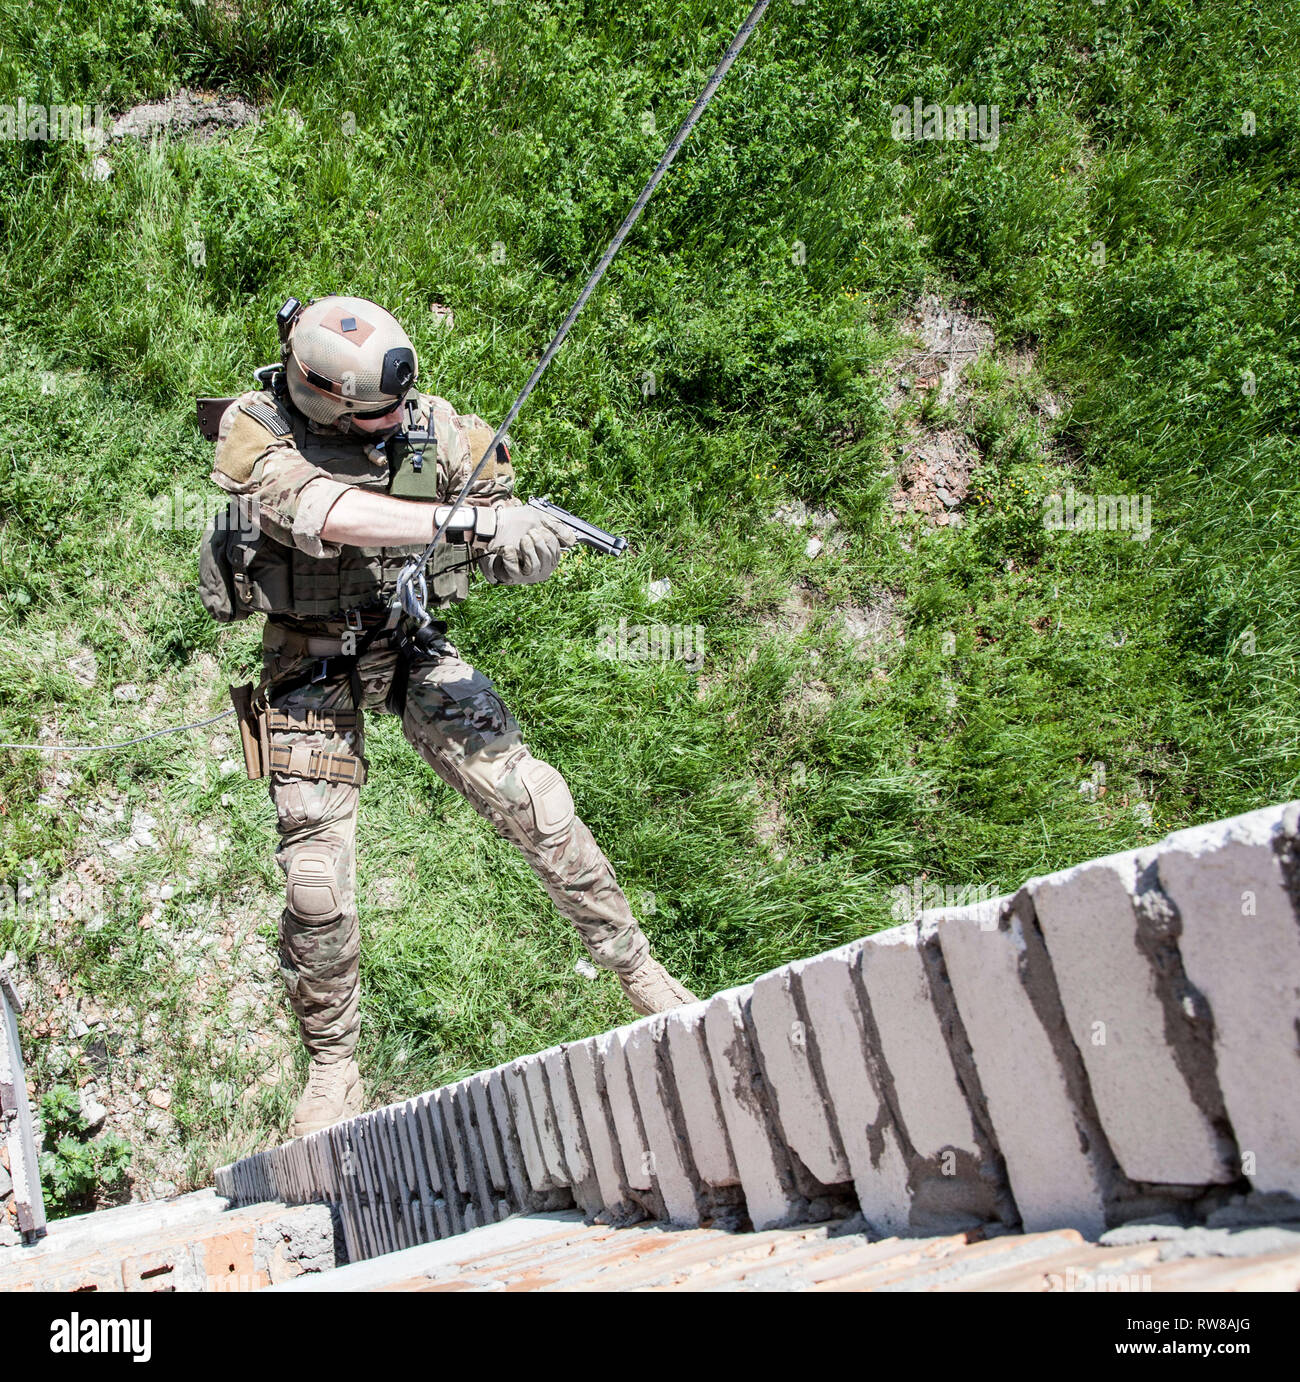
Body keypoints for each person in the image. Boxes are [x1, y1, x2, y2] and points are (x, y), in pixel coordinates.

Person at [200, 295, 695, 1137]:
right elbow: (323, 512)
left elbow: (498, 523)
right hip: (310, 658)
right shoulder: (258, 427)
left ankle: (638, 970)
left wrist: (519, 547)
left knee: (537, 801)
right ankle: (333, 1062)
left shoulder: (432, 427)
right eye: (376, 412)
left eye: (401, 405)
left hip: (410, 640)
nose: (396, 421)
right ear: (320, 391)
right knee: (316, 884)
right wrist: (465, 517)